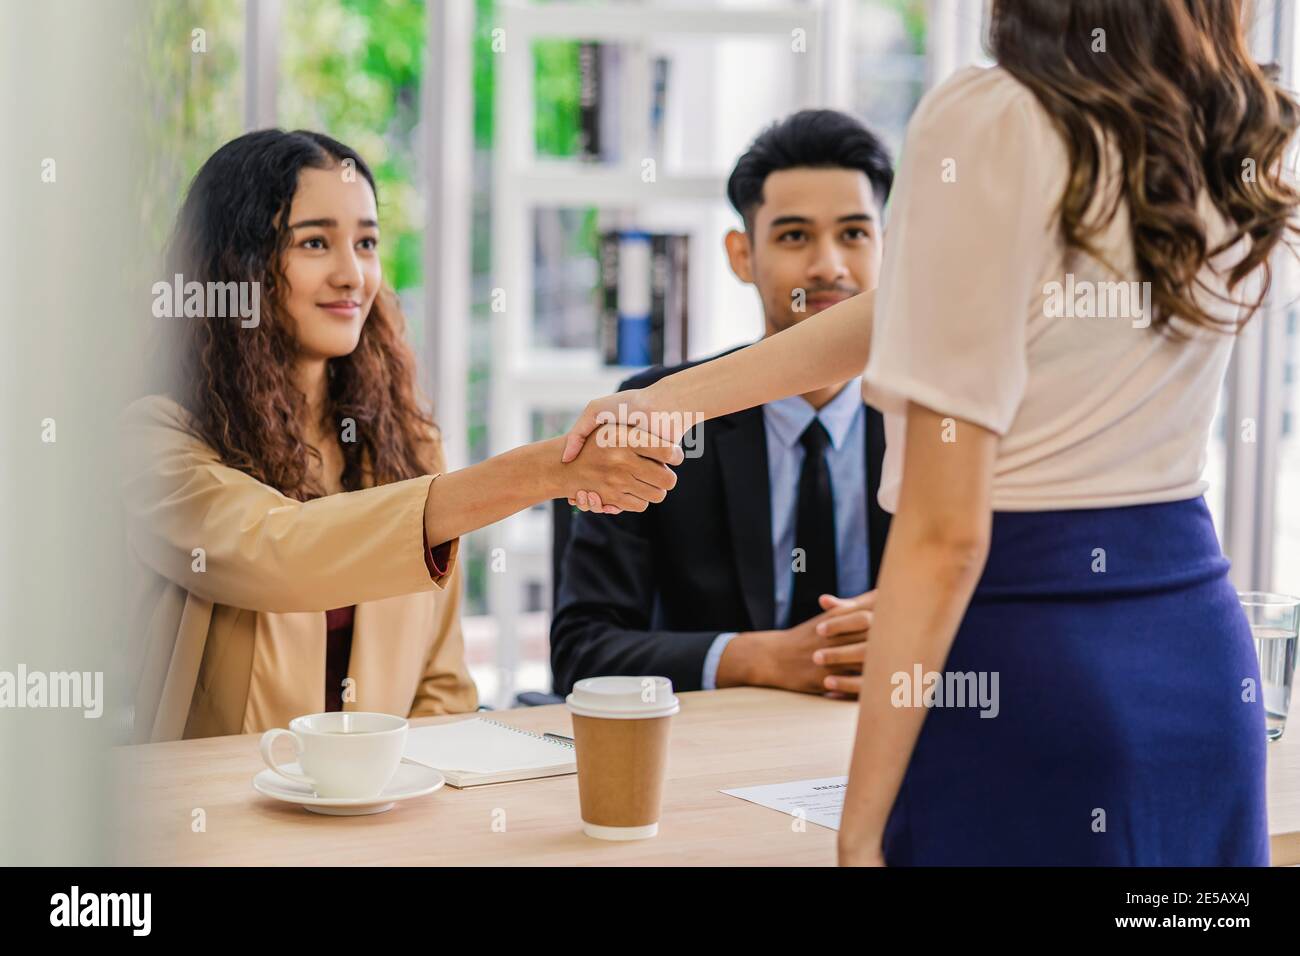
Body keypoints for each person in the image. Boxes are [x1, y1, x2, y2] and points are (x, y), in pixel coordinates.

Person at [561, 0, 1297, 865]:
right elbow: (918, 306)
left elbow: (946, 538)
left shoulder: (991, 116)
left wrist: (863, 830)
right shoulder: (1230, 131)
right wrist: (673, 399)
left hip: (1029, 660)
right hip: (1199, 662)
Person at [122, 130, 682, 742]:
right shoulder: (157, 439)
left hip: (383, 812)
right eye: (314, 242)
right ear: (233, 264)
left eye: (366, 242)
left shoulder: (404, 444)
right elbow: (284, 551)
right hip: (221, 815)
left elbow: (443, 684)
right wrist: (546, 470)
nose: (351, 274)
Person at [551, 110, 893, 698]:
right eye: (794, 236)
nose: (829, 265)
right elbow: (581, 650)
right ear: (741, 255)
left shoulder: (941, 418)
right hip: (714, 756)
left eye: (855, 234)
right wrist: (756, 658)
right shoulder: (655, 415)